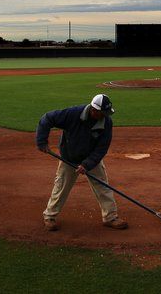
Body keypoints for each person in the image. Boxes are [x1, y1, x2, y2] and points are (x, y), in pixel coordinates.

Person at [36, 93, 128, 231]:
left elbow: (102, 148)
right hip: (69, 157)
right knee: (61, 188)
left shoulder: (106, 122)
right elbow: (47, 118)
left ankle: (110, 217)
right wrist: (41, 141)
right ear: (93, 110)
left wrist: (87, 164)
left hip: (91, 158)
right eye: (103, 113)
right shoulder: (72, 114)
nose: (105, 116)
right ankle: (49, 216)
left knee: (103, 187)